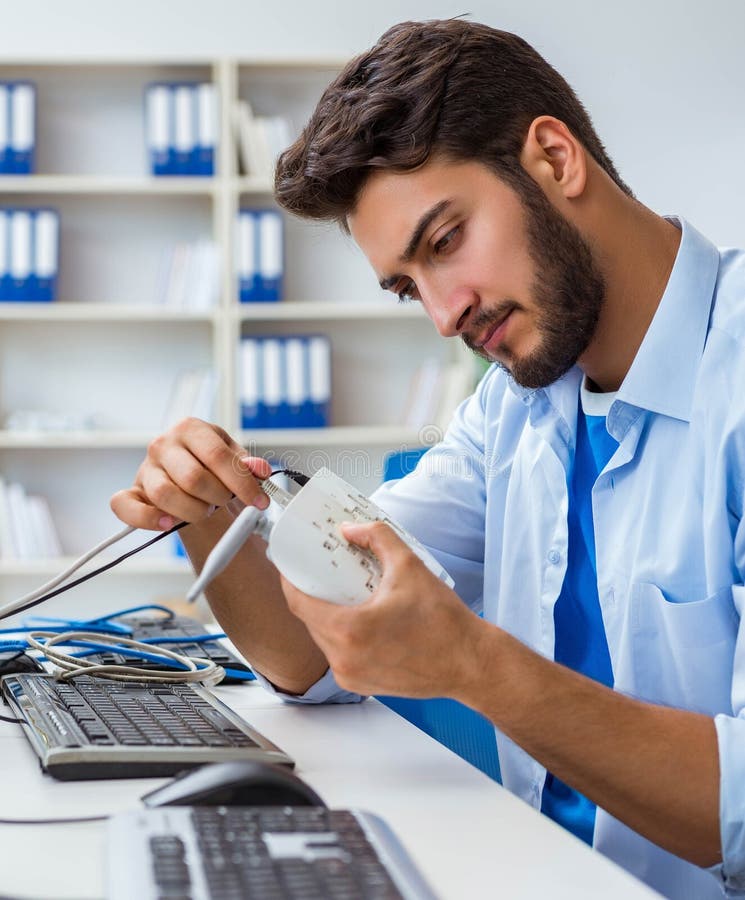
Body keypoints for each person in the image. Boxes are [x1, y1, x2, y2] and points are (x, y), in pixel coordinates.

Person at [110, 19, 745, 899]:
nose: (445, 314)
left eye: (445, 242)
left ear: (554, 158)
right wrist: (206, 512)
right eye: (409, 286)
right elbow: (309, 655)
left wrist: (471, 664)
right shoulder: (517, 405)